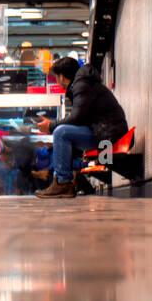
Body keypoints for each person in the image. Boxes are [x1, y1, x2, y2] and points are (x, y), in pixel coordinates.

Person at [34, 56, 129, 198]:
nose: (57, 82)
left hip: (108, 135)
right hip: (105, 132)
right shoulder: (83, 84)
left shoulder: (81, 85)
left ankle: (62, 183)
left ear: (61, 77)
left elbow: (76, 117)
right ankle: (63, 182)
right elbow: (79, 118)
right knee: (62, 133)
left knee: (61, 132)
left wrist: (51, 126)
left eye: (56, 78)